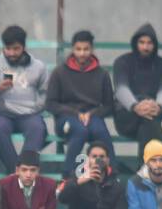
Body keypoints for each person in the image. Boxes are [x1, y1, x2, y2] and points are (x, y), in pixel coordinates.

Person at [46, 29, 115, 178]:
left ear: (92, 49)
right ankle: (67, 176)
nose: (82, 53)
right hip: (66, 118)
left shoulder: (102, 74)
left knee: (101, 131)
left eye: (86, 49)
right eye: (78, 49)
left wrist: (91, 114)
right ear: (72, 49)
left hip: (93, 117)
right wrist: (75, 113)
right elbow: (50, 104)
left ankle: (111, 174)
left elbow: (109, 105)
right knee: (80, 131)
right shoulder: (60, 72)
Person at [0, 25, 50, 174]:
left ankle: (27, 168)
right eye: (8, 49)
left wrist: (34, 108)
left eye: (16, 48)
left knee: (38, 128)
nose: (11, 53)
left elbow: (46, 94)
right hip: (1, 114)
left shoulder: (38, 67)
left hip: (29, 114)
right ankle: (16, 173)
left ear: (24, 47)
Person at [112, 23, 162, 152]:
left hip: (153, 113)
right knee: (150, 122)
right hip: (126, 115)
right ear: (135, 43)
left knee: (147, 125)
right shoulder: (122, 62)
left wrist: (158, 106)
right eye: (142, 42)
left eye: (149, 43)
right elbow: (121, 90)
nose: (145, 47)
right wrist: (135, 106)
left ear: (154, 44)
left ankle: (144, 169)